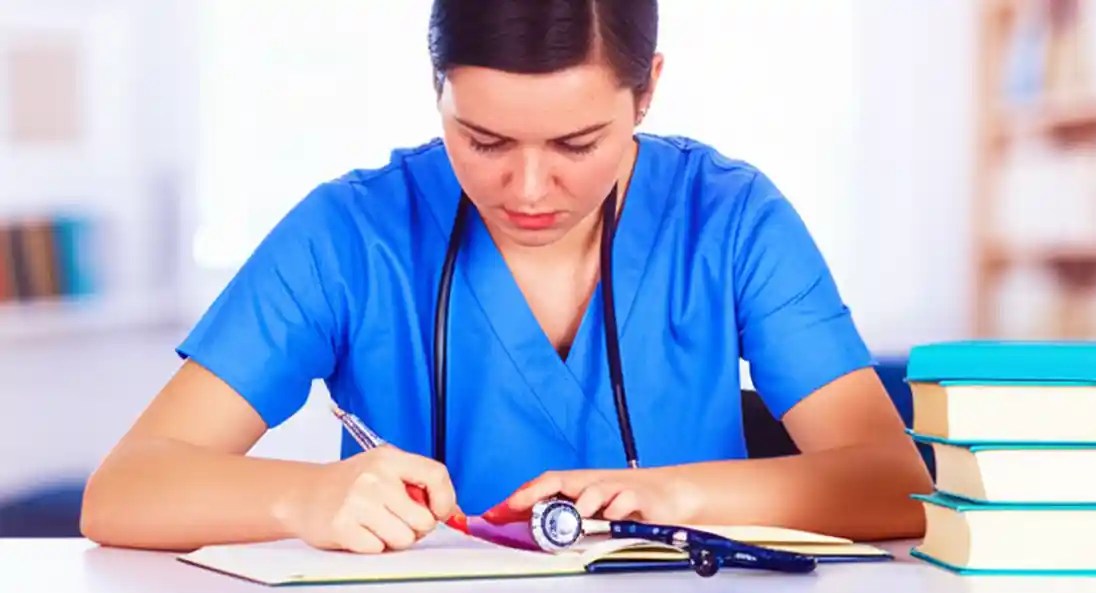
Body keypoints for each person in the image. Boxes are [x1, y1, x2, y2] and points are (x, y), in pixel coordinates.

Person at [80, 0, 932, 554]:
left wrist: (672, 493)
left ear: (647, 94)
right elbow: (125, 490)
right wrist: (303, 499)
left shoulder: (730, 219)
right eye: (484, 141)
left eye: (576, 145)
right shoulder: (352, 234)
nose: (526, 190)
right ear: (438, 92)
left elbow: (894, 481)